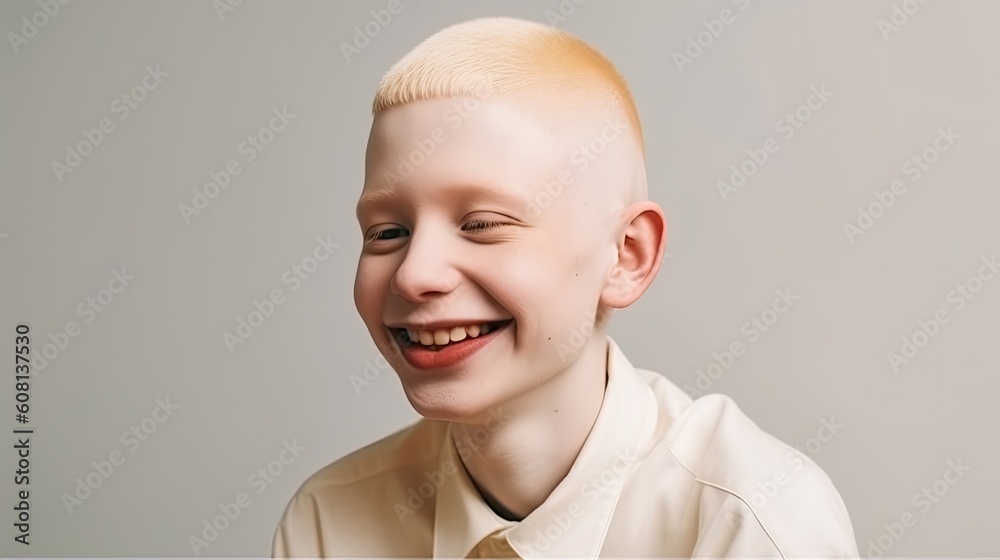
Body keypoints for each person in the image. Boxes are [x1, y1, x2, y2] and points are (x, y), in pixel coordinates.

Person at [272, 16, 858, 558]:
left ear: (627, 255)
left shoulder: (748, 518)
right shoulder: (328, 523)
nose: (414, 273)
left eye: (481, 225)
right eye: (387, 232)